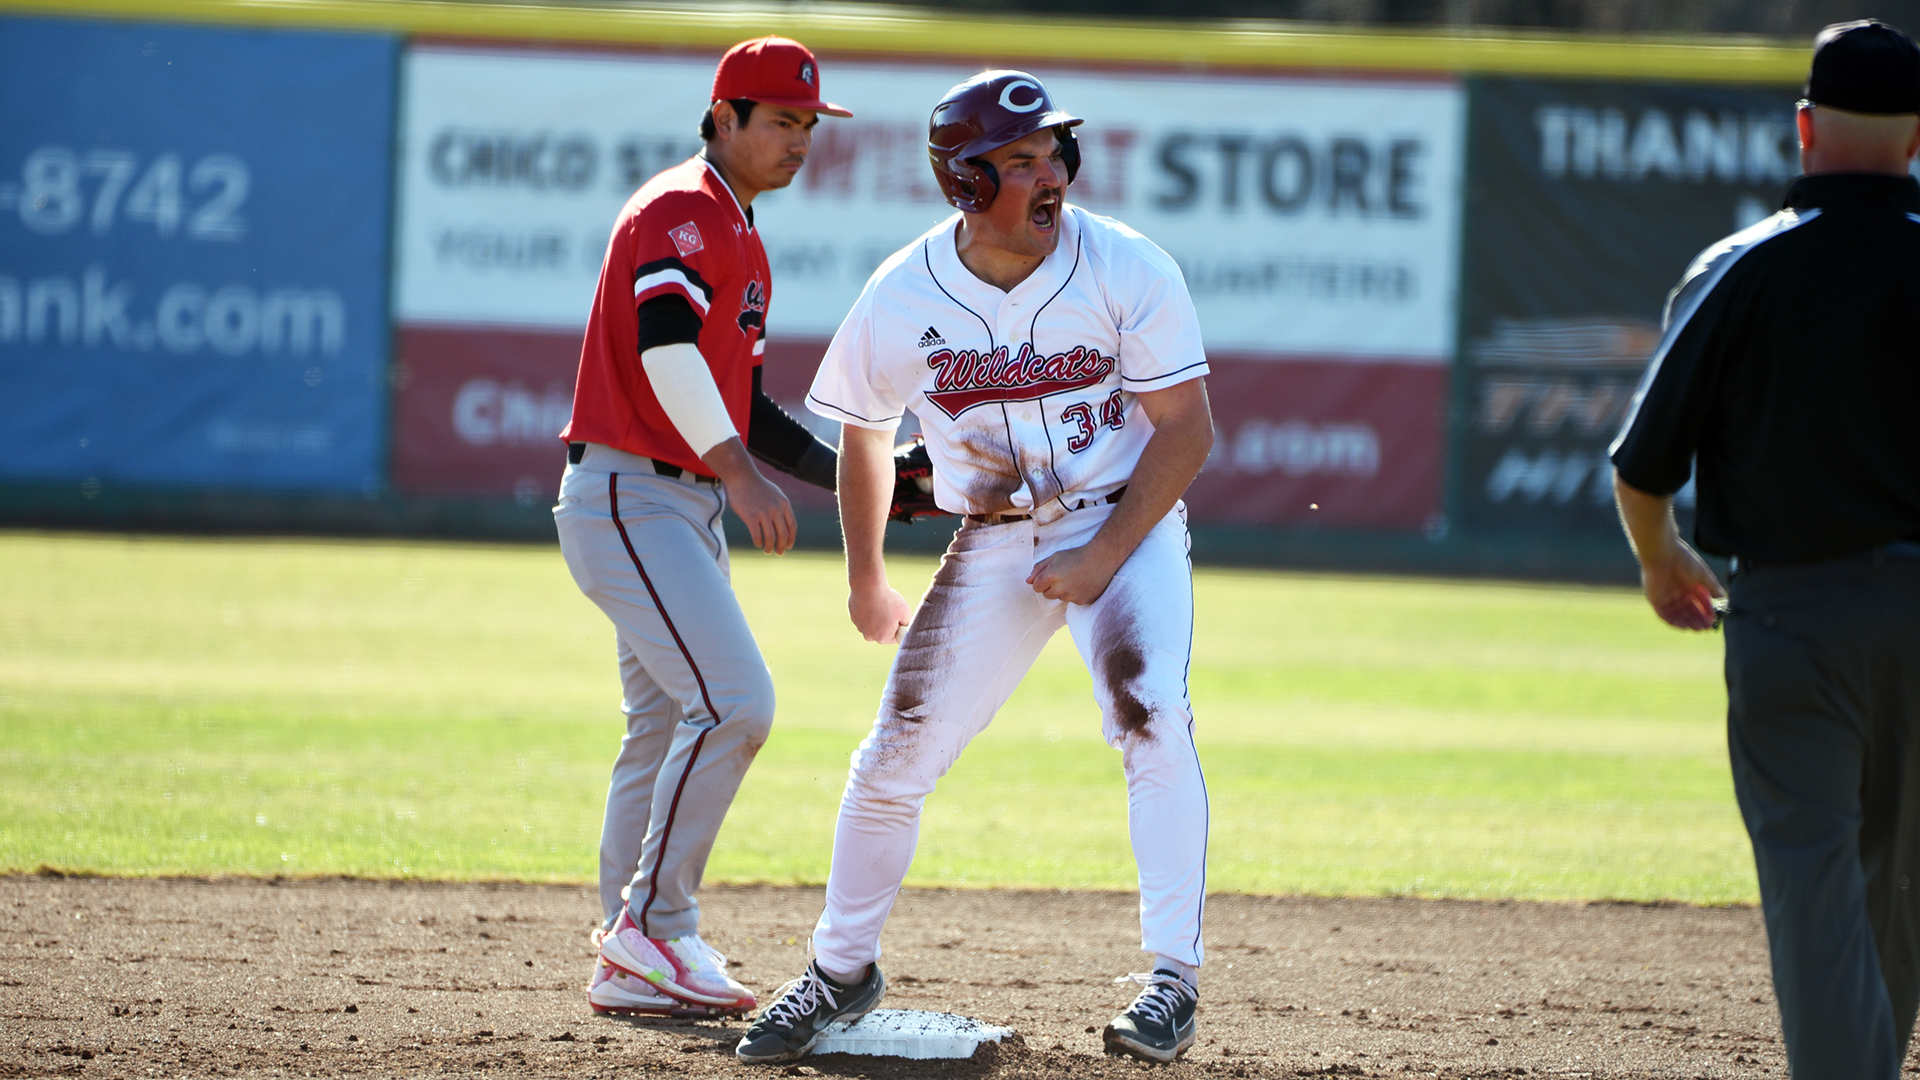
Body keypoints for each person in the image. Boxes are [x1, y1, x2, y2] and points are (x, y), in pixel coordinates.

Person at [735, 70, 1215, 1066]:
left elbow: (1188, 431)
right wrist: (865, 576)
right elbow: (866, 438)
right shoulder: (904, 292)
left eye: (1057, 154)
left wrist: (1101, 557)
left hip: (1123, 521)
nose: (1053, 175)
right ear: (964, 182)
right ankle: (837, 973)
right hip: (994, 536)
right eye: (1024, 159)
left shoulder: (1124, 266)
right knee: (894, 752)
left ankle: (1172, 980)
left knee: (1149, 714)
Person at [1609, 20, 1920, 1079]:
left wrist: (1661, 558)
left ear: (1803, 130)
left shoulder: (1742, 267)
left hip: (1797, 620)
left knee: (1815, 883)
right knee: (1900, 882)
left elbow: (1643, 465)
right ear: (1918, 138)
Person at [552, 36, 853, 1019]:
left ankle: (628, 958)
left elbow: (752, 409)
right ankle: (654, 928)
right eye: (779, 120)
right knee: (736, 705)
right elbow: (663, 346)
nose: (797, 139)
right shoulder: (685, 207)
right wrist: (739, 476)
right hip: (634, 496)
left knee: (661, 726)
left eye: (808, 123)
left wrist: (875, 478)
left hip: (673, 503)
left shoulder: (741, 231)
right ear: (721, 118)